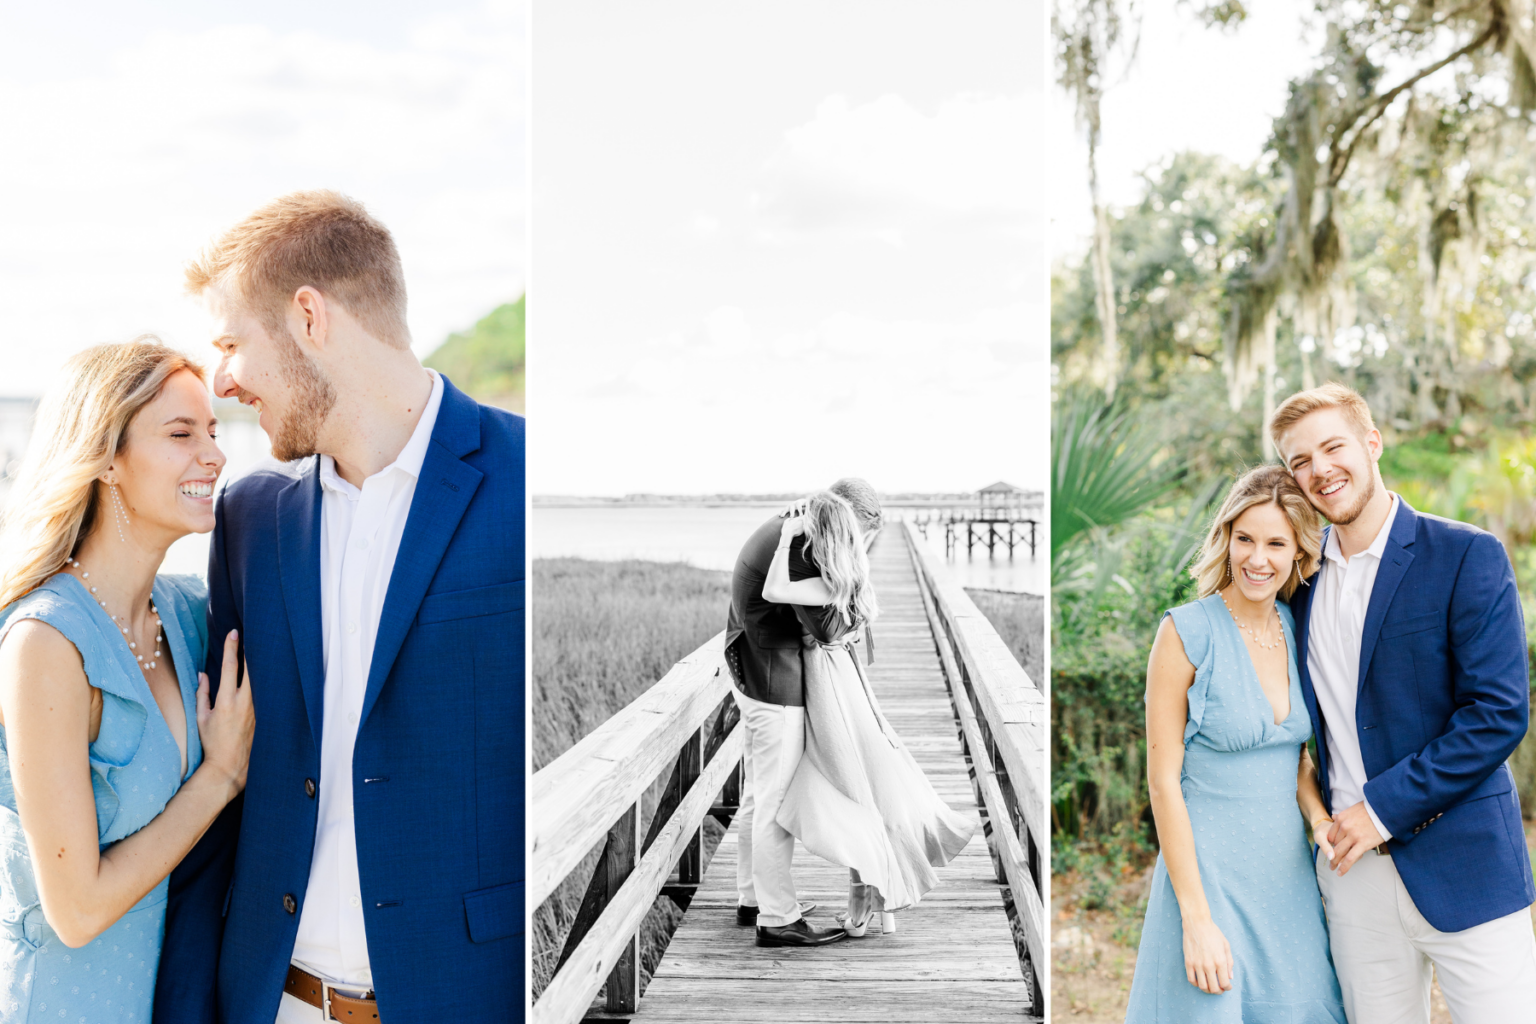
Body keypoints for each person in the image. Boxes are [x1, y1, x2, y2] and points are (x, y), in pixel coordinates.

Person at [152, 192, 525, 1023]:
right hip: (273, 1003)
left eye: (230, 343)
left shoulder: (523, 478)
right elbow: (228, 798)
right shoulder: (250, 518)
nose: (223, 381)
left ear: (309, 318)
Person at [0, 340, 255, 1023]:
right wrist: (219, 778)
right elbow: (77, 908)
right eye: (181, 434)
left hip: (168, 1001)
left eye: (213, 430)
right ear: (105, 458)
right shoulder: (46, 641)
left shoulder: (190, 614)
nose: (215, 454)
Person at [1272, 382, 1536, 1023]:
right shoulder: (1297, 585)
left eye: (1332, 447)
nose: (1319, 470)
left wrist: (1381, 809)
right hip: (1351, 874)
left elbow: (1498, 712)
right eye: (1299, 461)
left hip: (1467, 865)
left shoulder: (1466, 555)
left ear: (1372, 442)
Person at [1125, 465, 1346, 1023]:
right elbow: (1162, 782)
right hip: (1209, 878)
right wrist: (1195, 919)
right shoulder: (1184, 632)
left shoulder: (1300, 627)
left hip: (1287, 882)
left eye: (1276, 542)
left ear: (1300, 550)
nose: (1257, 558)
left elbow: (1292, 756)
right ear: (1226, 538)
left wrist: (1318, 819)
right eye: (1244, 539)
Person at [764, 492, 975, 935]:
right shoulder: (852, 575)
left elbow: (771, 590)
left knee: (849, 778)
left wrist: (785, 538)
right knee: (867, 774)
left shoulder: (825, 582)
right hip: (846, 675)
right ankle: (876, 901)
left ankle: (870, 893)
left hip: (830, 681)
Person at [723, 478, 883, 947]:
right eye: (856, 535)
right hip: (772, 681)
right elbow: (827, 626)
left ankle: (754, 898)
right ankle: (777, 917)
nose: (852, 546)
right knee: (775, 801)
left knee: (759, 793)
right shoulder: (805, 542)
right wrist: (853, 607)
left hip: (751, 670)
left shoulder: (795, 524)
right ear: (845, 518)